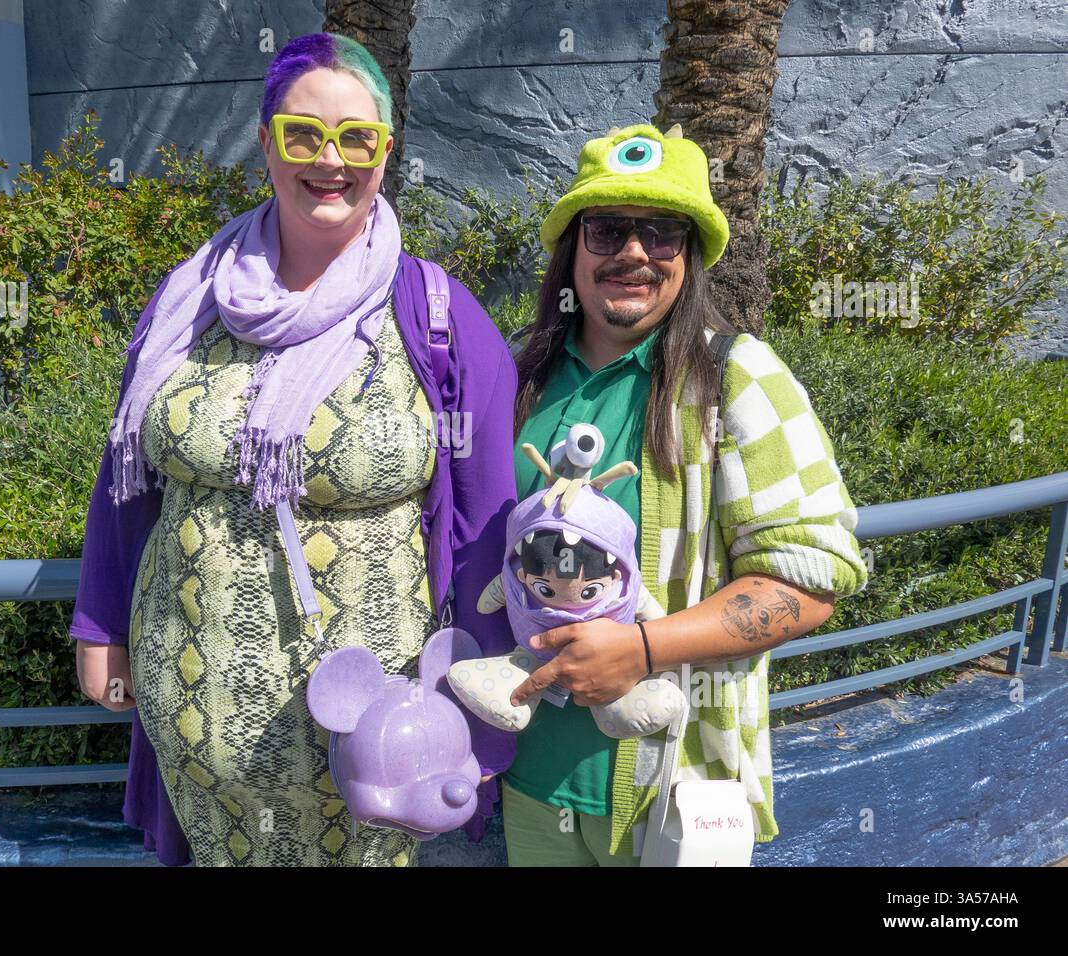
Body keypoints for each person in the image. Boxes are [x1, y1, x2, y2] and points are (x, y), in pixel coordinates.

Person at [68, 32, 517, 866]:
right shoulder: (187, 298)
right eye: (304, 135)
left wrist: (483, 705)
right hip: (192, 690)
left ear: (387, 151)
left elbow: (485, 520)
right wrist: (102, 624)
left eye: (358, 139)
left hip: (376, 721)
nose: (331, 162)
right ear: (266, 140)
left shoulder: (438, 316)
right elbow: (126, 472)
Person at [501, 122, 871, 866]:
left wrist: (640, 648)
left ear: (689, 256)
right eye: (607, 230)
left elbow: (813, 581)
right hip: (529, 782)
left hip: (679, 786)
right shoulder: (517, 379)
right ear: (572, 249)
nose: (633, 253)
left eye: (662, 233)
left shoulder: (739, 378)